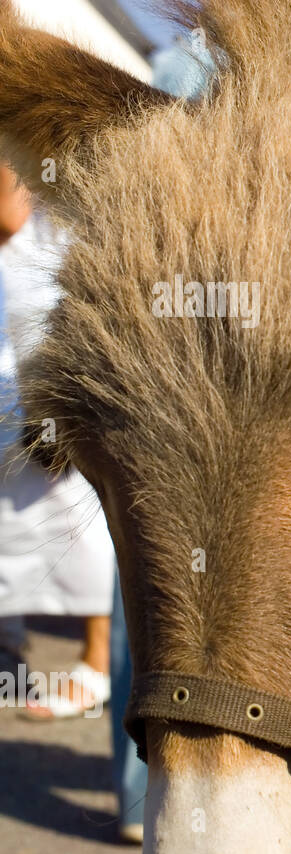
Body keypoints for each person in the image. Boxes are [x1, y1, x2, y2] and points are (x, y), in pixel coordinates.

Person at [0, 167, 117, 720]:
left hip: (56, 413)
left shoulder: (66, 229)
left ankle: (98, 663)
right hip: (12, 398)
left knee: (86, 532)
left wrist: (51, 413)